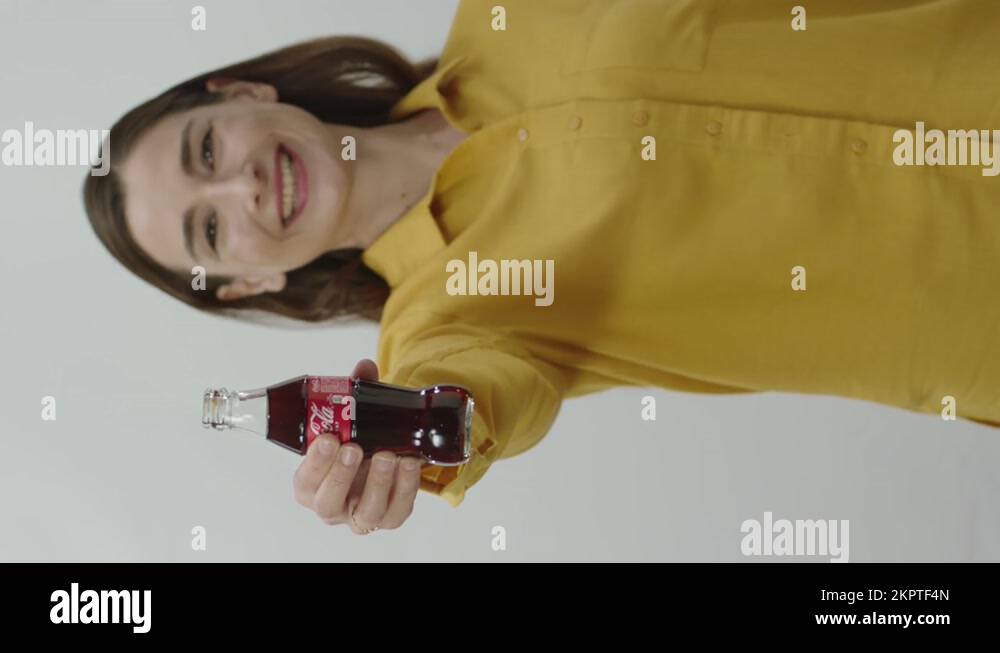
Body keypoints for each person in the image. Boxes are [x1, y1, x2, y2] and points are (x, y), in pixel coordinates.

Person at [84, 0, 1000, 535]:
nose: (240, 187)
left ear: (242, 96)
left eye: (207, 149)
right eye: (209, 234)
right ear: (246, 284)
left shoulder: (507, 19)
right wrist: (402, 446)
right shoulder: (440, 328)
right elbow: (470, 403)